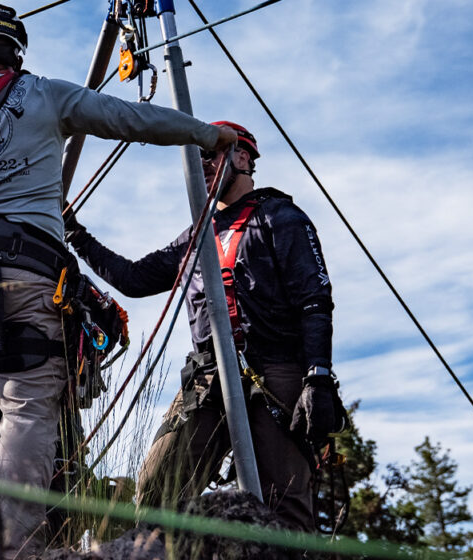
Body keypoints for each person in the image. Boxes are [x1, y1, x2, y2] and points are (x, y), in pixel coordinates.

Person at [0, 2, 237, 558]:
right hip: (24, 276)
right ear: (15, 49)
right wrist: (207, 136)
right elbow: (129, 118)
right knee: (28, 405)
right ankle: (18, 547)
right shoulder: (42, 94)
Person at [63, 121, 343, 530]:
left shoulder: (281, 218)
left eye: (210, 154)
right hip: (208, 377)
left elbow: (315, 300)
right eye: (194, 159)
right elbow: (134, 279)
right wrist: (75, 233)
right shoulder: (195, 237)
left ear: (243, 157)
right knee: (159, 489)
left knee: (283, 505)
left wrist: (317, 378)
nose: (202, 164)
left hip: (274, 371)